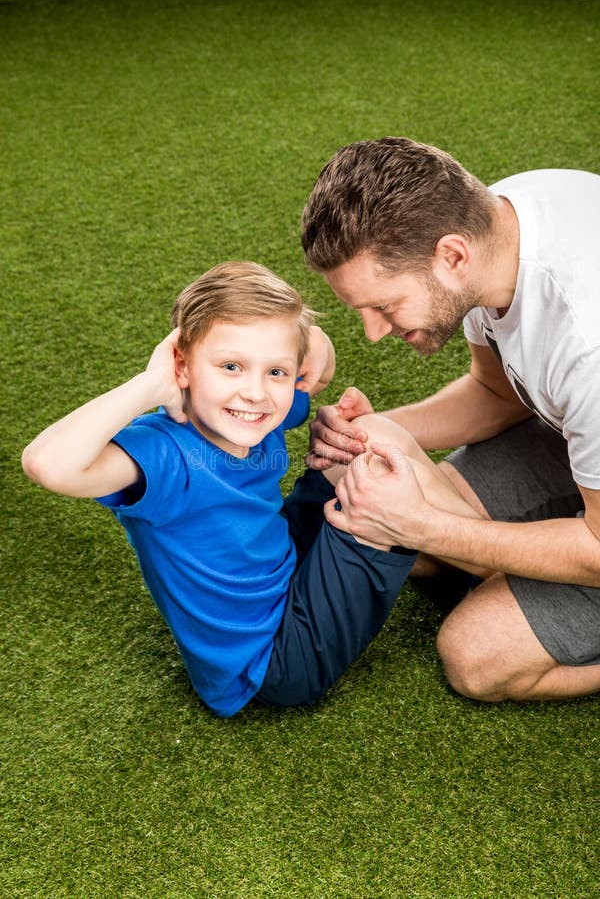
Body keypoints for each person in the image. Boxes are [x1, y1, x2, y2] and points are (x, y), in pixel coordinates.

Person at [22, 260, 484, 717]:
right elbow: (47, 464)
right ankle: (491, 567)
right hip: (273, 663)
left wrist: (308, 342)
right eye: (231, 366)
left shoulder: (262, 411)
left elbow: (317, 367)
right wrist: (153, 384)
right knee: (381, 470)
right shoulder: (162, 453)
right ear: (181, 365)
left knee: (363, 440)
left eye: (275, 372)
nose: (256, 393)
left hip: (285, 565)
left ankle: (473, 559)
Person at [301, 136, 600, 703]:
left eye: (384, 305)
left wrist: (424, 526)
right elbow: (496, 392)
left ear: (452, 256)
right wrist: (373, 428)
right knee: (376, 472)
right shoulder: (497, 220)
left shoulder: (588, 343)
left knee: (477, 656)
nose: (373, 331)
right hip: (579, 441)